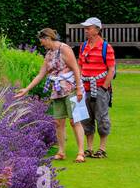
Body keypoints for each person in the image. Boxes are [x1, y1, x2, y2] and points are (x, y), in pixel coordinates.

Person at [17, 28, 87, 163]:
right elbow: (41, 74)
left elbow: (76, 69)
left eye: (42, 42)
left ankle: (81, 152)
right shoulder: (49, 54)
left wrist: (79, 89)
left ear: (48, 38)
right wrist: (26, 89)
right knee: (58, 122)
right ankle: (61, 152)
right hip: (57, 91)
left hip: (71, 88)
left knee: (74, 121)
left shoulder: (65, 49)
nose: (42, 45)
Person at [77, 17, 115, 158]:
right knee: (86, 118)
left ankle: (102, 149)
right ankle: (89, 148)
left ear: (97, 30)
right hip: (85, 88)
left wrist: (104, 88)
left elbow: (111, 69)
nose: (86, 30)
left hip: (100, 88)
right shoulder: (83, 46)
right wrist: (79, 84)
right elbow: (80, 65)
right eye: (85, 28)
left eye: (88, 28)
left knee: (102, 117)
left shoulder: (106, 47)